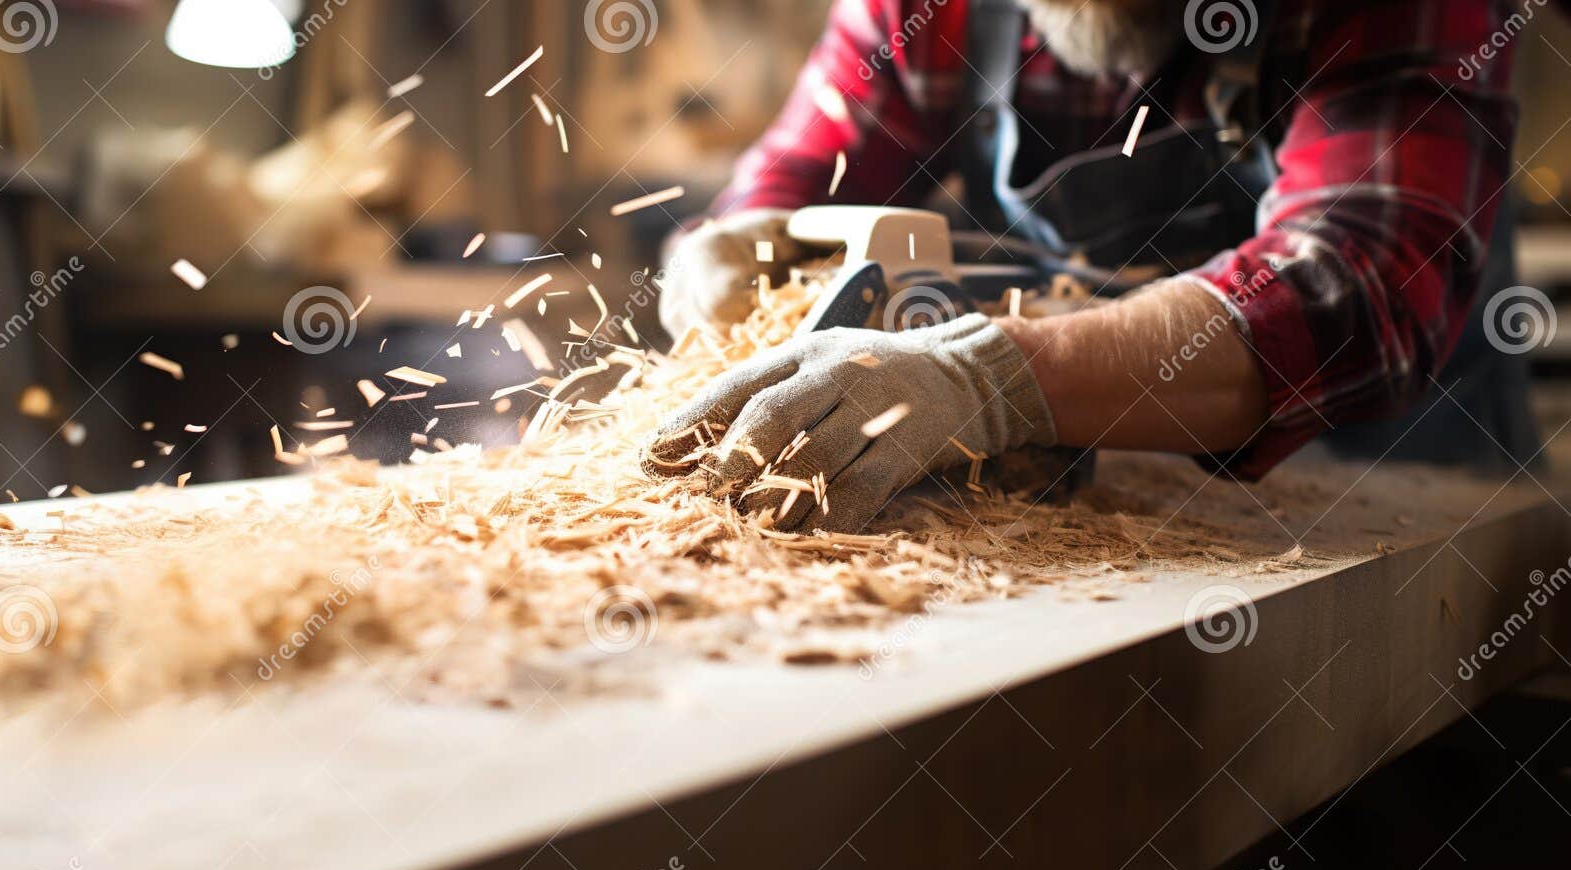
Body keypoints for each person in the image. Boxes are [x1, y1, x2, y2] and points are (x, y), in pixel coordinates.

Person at [647, 0, 1539, 533]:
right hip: (1108, 521)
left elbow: (1359, 286)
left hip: (1405, 501)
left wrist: (983, 378)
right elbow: (795, 179)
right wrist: (728, 247)